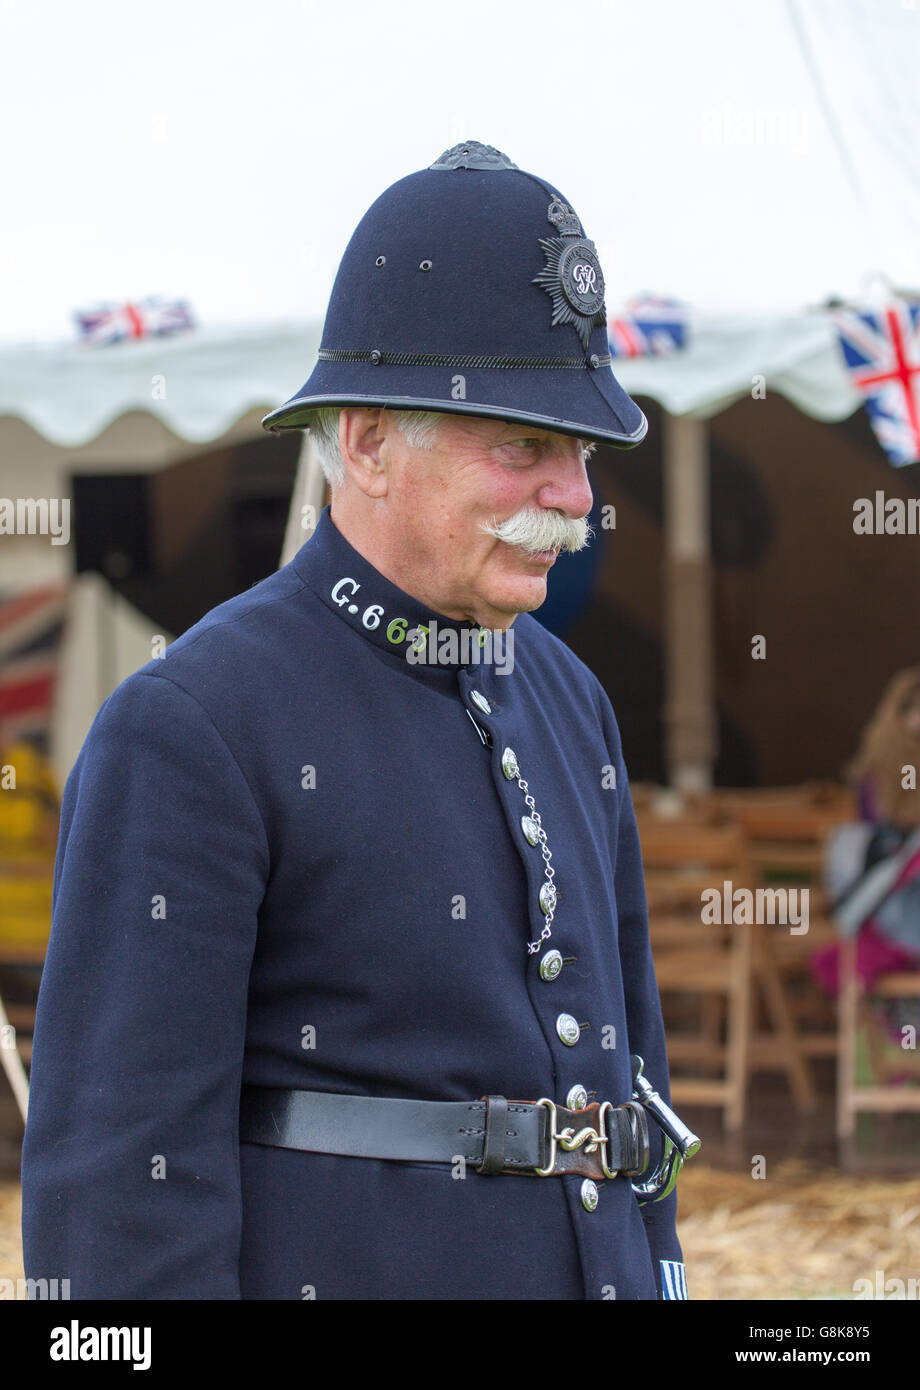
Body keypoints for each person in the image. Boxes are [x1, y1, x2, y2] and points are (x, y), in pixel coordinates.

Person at [21, 141, 689, 1300]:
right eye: (524, 445)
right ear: (370, 441)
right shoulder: (194, 725)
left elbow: (628, 1102)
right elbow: (117, 1199)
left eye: (579, 452)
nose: (575, 497)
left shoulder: (569, 699)